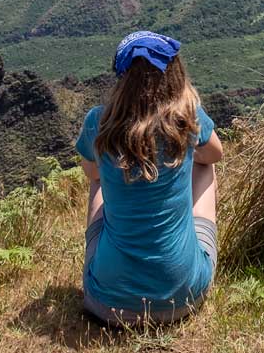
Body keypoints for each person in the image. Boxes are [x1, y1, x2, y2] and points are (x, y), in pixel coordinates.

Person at [75, 30, 223, 325]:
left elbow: (92, 175)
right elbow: (215, 154)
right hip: (183, 297)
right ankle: (186, 254)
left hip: (107, 304)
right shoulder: (186, 116)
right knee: (204, 166)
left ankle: (120, 270)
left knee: (99, 180)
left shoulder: (99, 122)